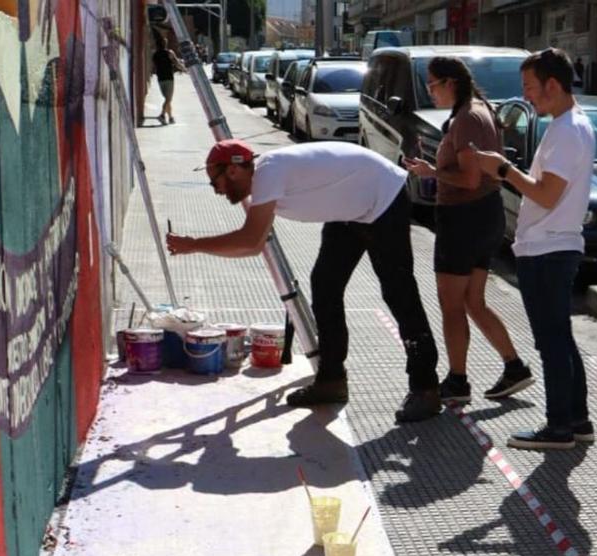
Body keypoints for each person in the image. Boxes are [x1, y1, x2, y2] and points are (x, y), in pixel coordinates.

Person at [165, 139, 442, 423]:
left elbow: (250, 241)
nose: (217, 191)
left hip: (384, 198)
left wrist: (193, 245)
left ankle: (426, 388)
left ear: (233, 171)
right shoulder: (261, 181)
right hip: (350, 207)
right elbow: (255, 243)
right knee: (325, 285)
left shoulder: (268, 173)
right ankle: (331, 380)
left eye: (216, 182)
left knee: (398, 292)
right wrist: (196, 246)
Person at [472, 48, 595, 451]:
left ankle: (559, 425)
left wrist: (502, 169)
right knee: (560, 337)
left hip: (549, 249)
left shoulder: (567, 130)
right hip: (550, 246)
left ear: (553, 85)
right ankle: (576, 420)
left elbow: (545, 194)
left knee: (551, 341)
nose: (526, 96)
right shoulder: (568, 125)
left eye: (529, 87)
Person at [403, 57, 534, 404]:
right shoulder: (479, 110)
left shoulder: (467, 119)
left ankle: (458, 381)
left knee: (451, 304)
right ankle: (515, 366)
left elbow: (470, 178)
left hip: (464, 218)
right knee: (473, 301)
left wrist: (433, 173)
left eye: (433, 84)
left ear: (451, 83)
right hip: (484, 216)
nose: (429, 91)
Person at [153, 35, 184, 125]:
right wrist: (184, 69)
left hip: (160, 79)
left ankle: (170, 118)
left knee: (167, 99)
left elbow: (154, 67)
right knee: (168, 99)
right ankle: (162, 115)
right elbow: (176, 62)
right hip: (169, 78)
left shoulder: (155, 54)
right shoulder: (169, 53)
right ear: (165, 44)